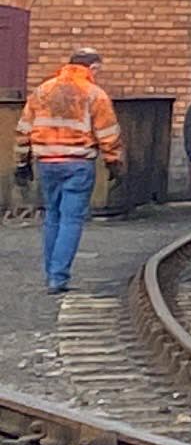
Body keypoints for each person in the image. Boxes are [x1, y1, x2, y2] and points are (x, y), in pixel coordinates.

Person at [16, 49, 124, 294]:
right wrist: (113, 162)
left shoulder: (43, 91)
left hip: (46, 161)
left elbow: (24, 129)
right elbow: (108, 134)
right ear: (92, 68)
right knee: (71, 219)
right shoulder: (94, 94)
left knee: (52, 216)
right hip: (78, 162)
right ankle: (58, 277)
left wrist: (22, 162)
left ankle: (51, 274)